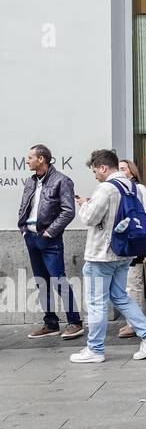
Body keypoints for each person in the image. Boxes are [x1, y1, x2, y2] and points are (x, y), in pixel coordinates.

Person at [69, 150, 146, 364]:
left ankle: (95, 349)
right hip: (124, 251)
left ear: (103, 167)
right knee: (120, 296)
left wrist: (84, 204)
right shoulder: (133, 186)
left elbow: (90, 218)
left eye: (95, 171)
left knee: (96, 303)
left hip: (101, 254)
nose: (95, 175)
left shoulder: (106, 188)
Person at [17, 144, 82, 340]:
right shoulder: (30, 181)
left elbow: (68, 211)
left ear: (41, 159)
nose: (27, 161)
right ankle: (51, 323)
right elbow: (24, 207)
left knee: (58, 280)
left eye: (30, 157)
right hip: (31, 237)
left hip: (49, 239)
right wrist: (23, 230)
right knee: (41, 283)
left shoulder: (62, 181)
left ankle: (75, 322)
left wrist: (49, 232)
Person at [117, 158, 146, 339]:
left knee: (134, 283)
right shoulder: (123, 189)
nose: (120, 171)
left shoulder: (138, 189)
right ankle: (132, 321)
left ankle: (135, 323)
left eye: (123, 168)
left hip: (135, 240)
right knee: (129, 283)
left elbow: (142, 213)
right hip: (127, 241)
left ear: (131, 172)